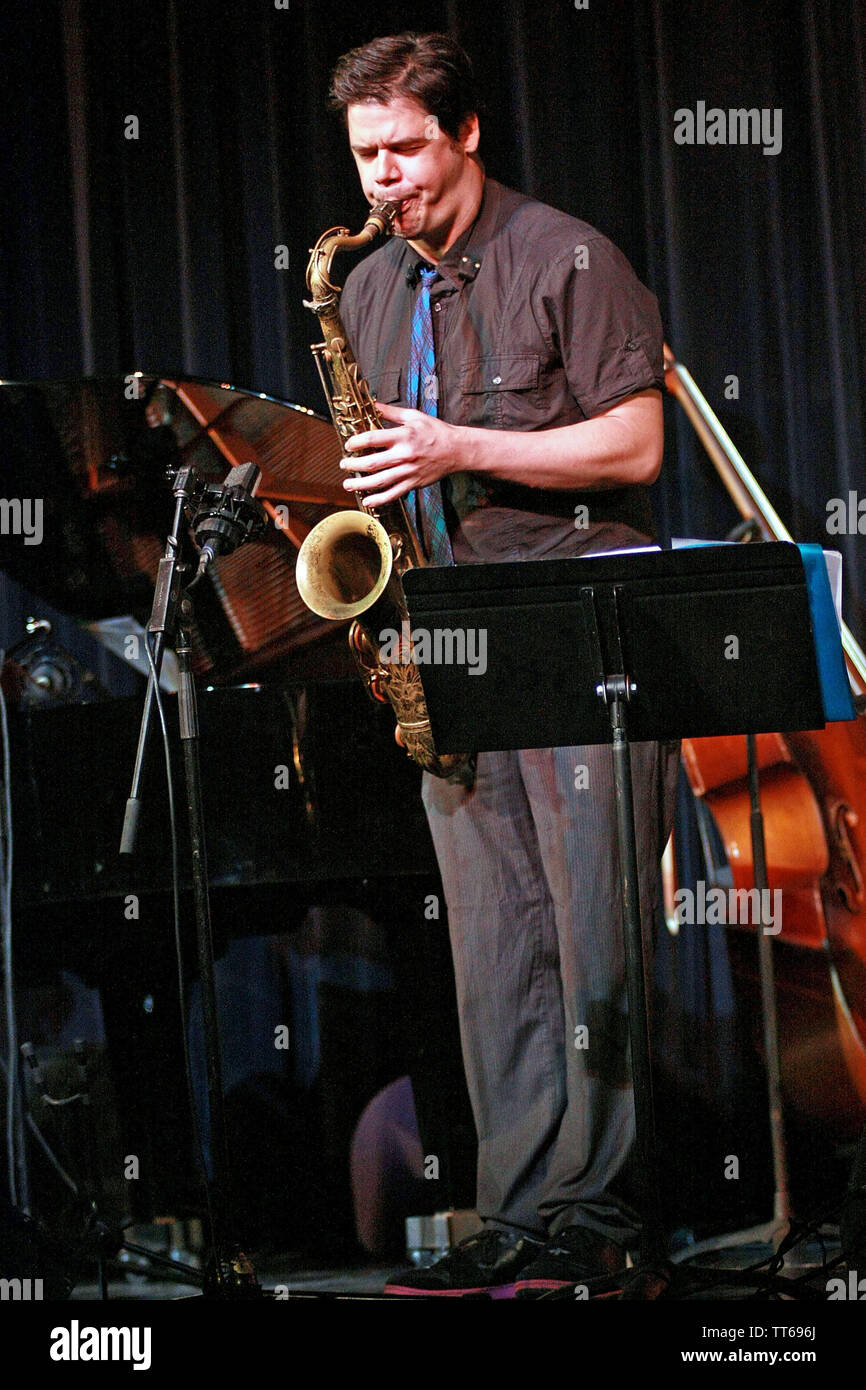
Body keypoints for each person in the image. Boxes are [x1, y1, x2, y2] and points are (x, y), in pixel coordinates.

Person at [328, 31, 681, 1297]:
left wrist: (451, 448)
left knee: (594, 933)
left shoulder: (564, 253)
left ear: (465, 133)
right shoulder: (366, 290)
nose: (384, 179)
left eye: (406, 148)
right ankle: (522, 1205)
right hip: (449, 638)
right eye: (366, 155)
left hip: (578, 629)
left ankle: (600, 1206)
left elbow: (635, 443)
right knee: (494, 949)